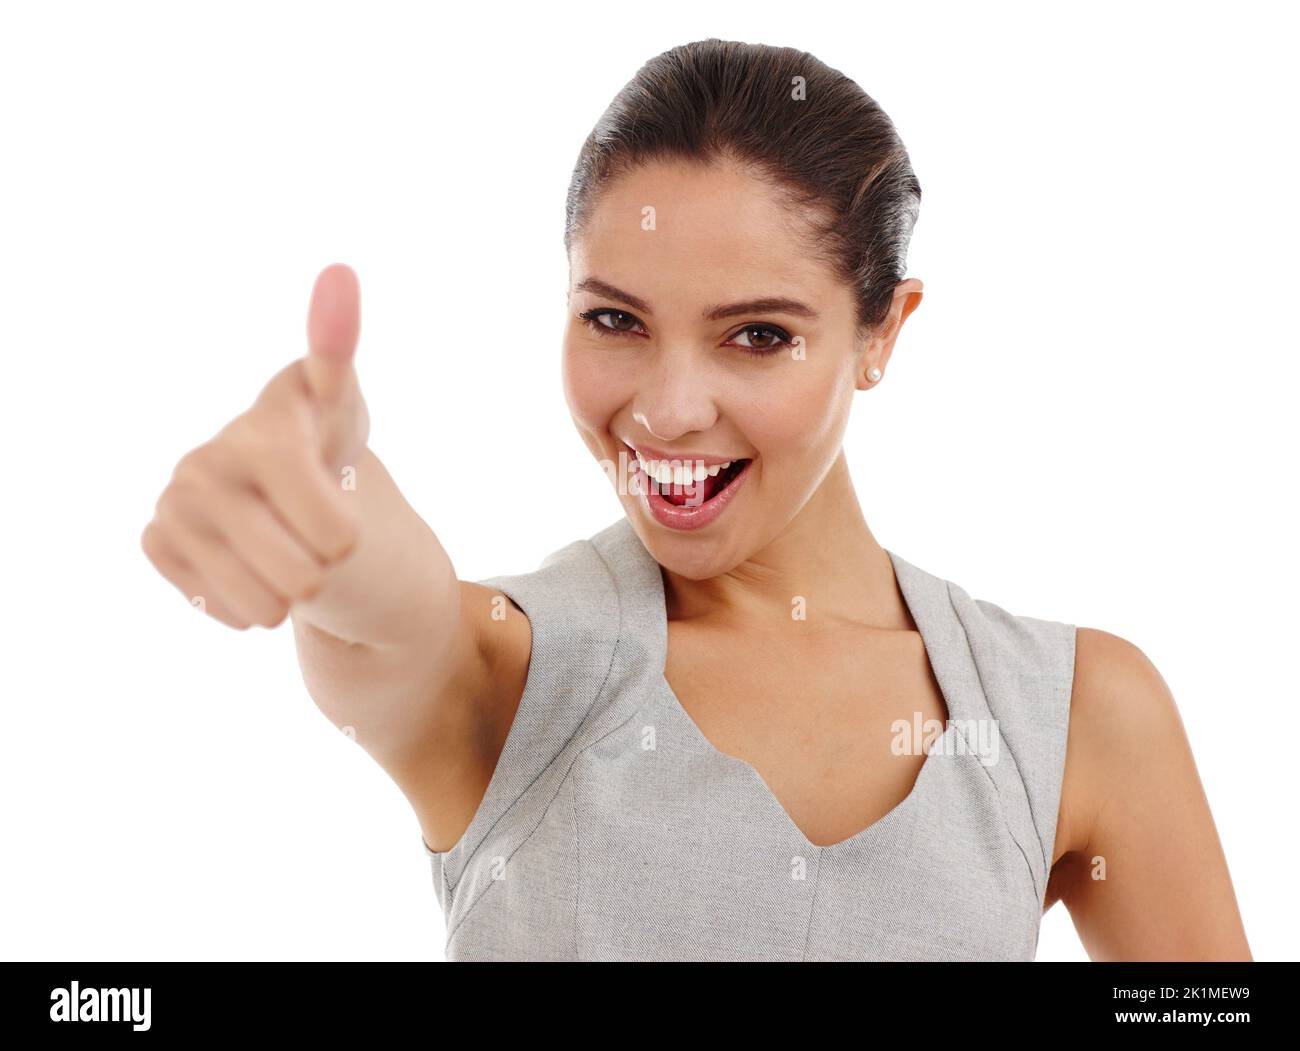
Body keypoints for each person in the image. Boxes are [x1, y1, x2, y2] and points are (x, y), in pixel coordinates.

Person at [140, 38, 1251, 961]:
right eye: (615, 319)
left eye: (758, 334)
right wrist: (325, 502)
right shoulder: (507, 676)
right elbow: (388, 608)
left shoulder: (1072, 711)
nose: (668, 411)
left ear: (882, 332)